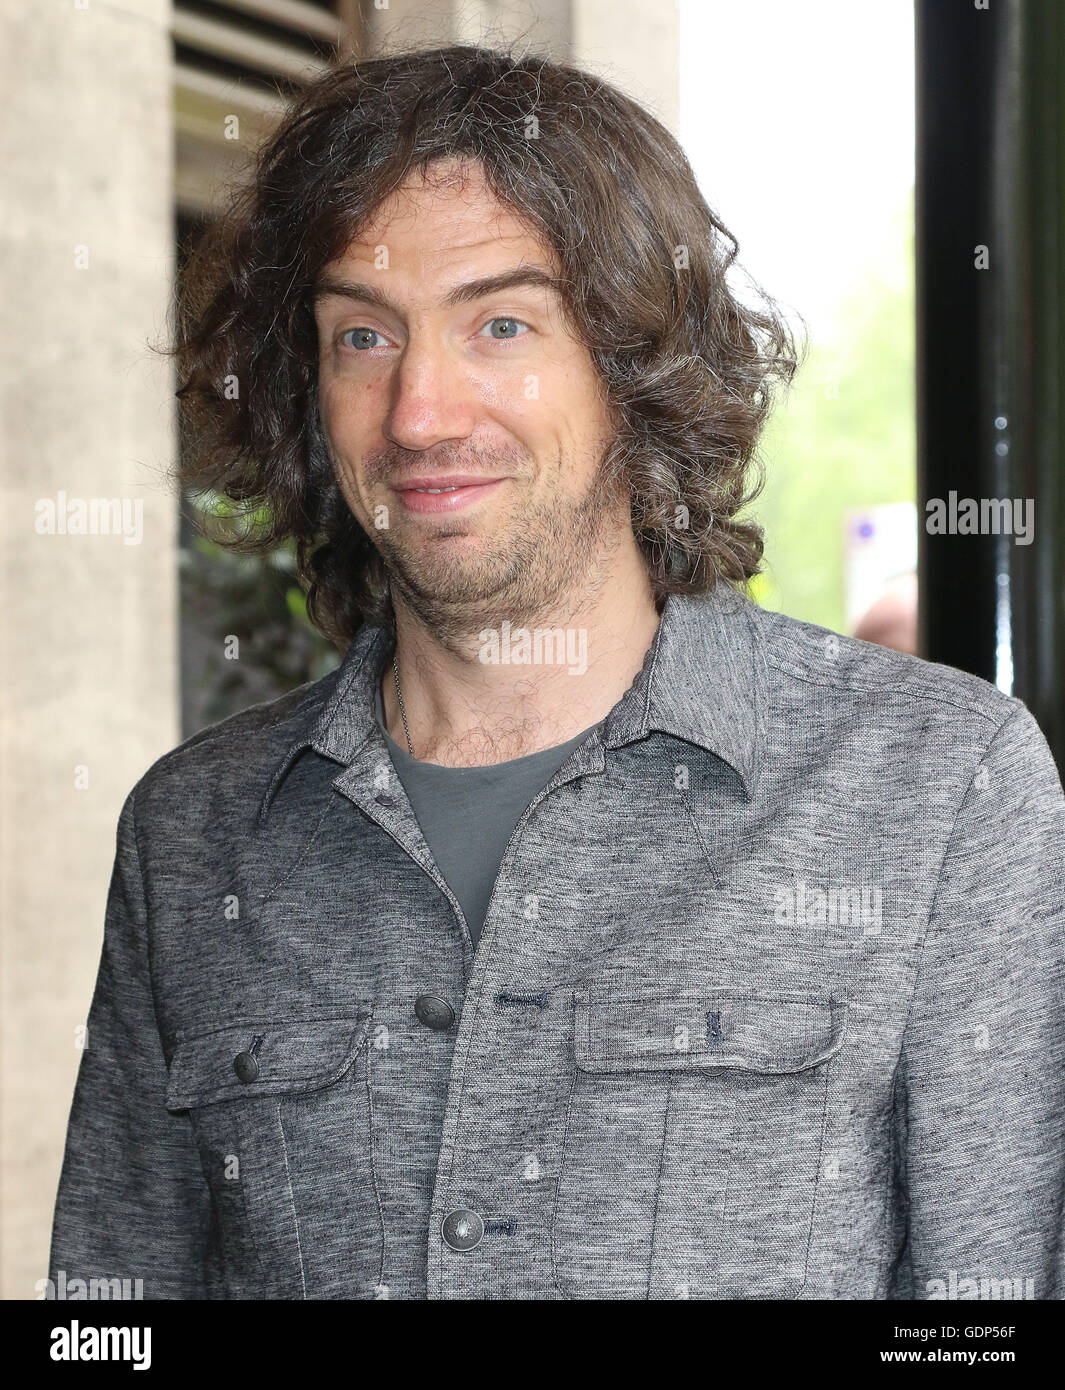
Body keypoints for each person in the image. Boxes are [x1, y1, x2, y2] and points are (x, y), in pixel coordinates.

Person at [49, 43, 1064, 1301]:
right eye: (362, 335)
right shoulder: (191, 832)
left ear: (635, 367)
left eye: (502, 324)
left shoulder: (940, 784)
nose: (419, 411)